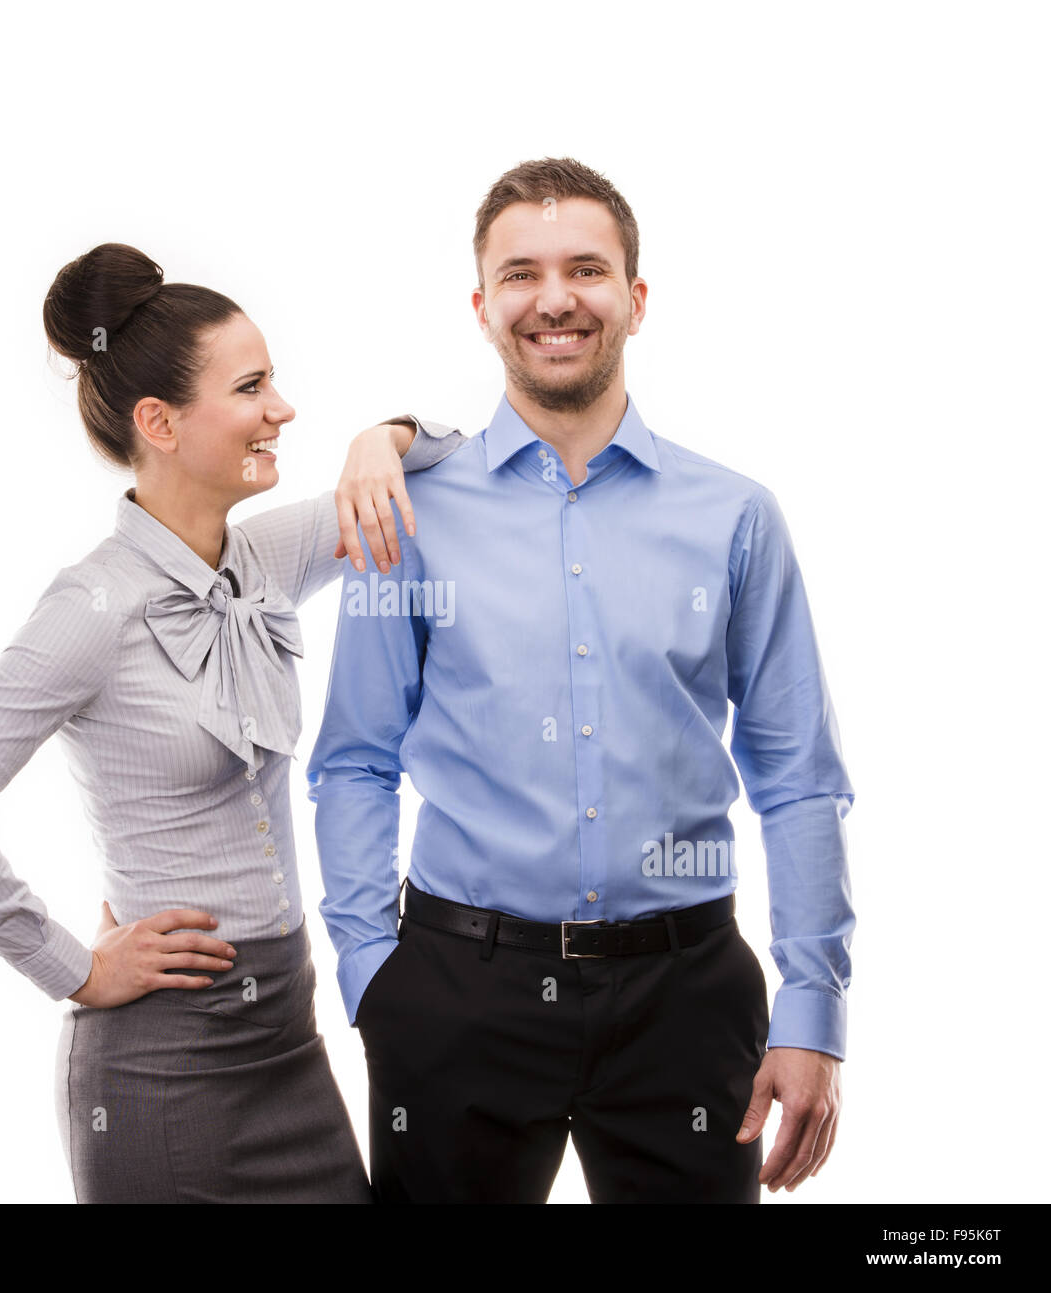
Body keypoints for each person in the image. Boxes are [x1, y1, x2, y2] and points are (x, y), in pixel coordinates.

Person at [307, 158, 855, 1204]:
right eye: (520, 275)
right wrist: (374, 975)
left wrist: (811, 1008)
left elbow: (796, 777)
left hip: (686, 1000)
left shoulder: (735, 518)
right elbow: (354, 760)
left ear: (635, 301)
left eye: (586, 270)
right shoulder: (405, 512)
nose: (554, 299)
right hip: (454, 993)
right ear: (481, 307)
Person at [0, 242, 465, 1204]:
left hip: (290, 1039)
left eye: (274, 380)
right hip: (161, 1071)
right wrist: (72, 965)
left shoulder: (266, 555)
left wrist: (384, 436)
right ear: (159, 421)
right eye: (252, 386)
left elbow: (447, 463)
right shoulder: (92, 606)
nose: (283, 408)